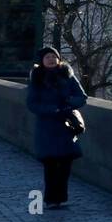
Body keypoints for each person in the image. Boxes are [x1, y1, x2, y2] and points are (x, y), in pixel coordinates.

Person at [26, 47, 88, 210]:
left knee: (65, 164)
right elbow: (32, 103)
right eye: (48, 57)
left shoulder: (68, 75)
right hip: (47, 127)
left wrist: (68, 102)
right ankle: (51, 199)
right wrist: (51, 109)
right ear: (42, 61)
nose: (51, 59)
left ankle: (61, 197)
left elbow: (82, 97)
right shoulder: (37, 78)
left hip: (66, 126)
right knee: (51, 164)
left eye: (54, 56)